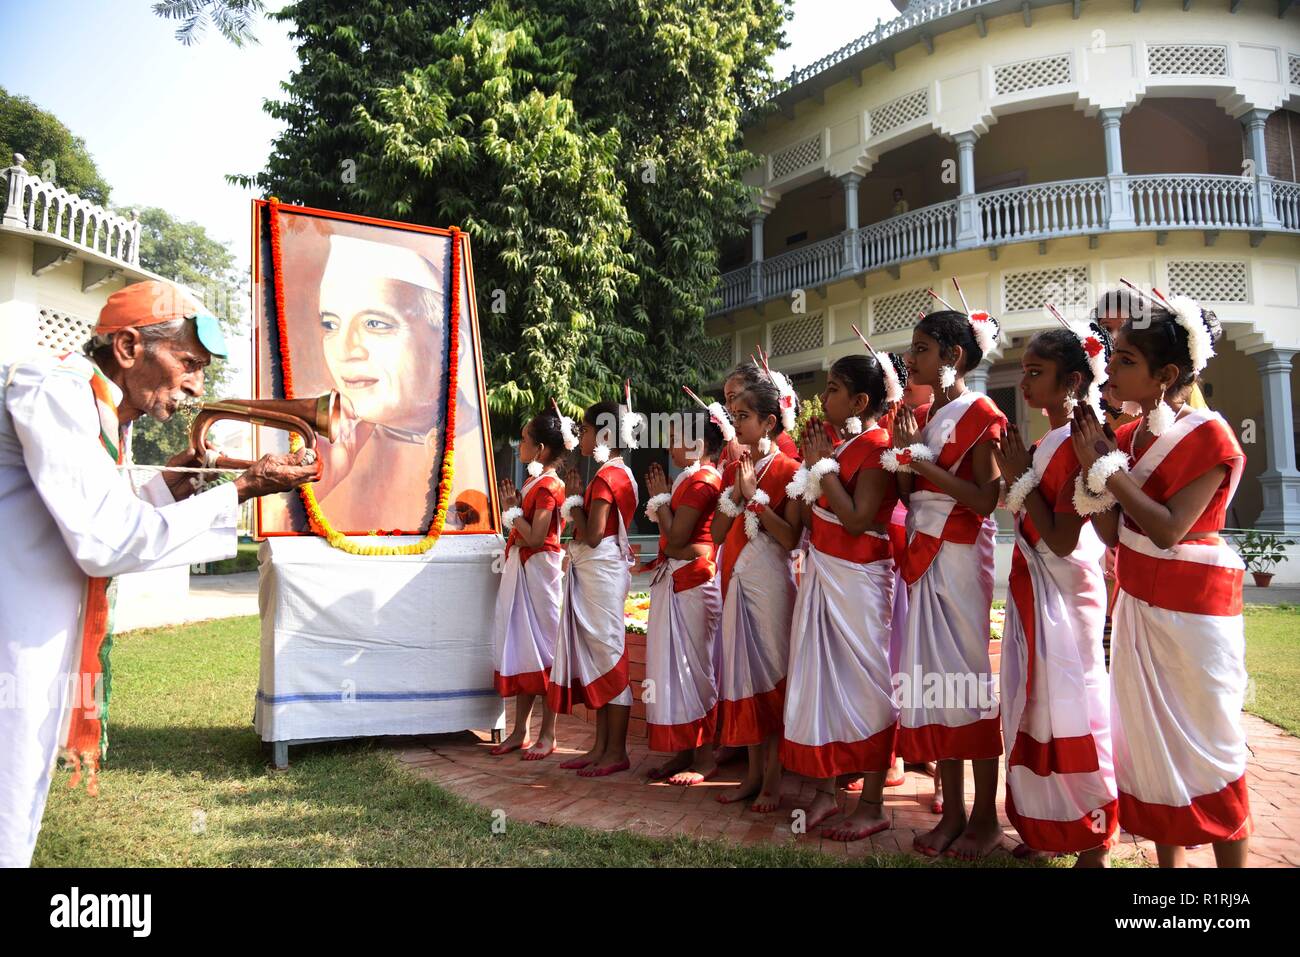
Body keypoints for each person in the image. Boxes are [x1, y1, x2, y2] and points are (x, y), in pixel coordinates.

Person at [0, 280, 317, 867]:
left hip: (39, 642)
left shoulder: (102, 411)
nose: (198, 385)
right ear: (126, 347)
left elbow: (107, 519)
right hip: (13, 642)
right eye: (189, 364)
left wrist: (167, 487)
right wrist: (242, 487)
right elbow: (103, 541)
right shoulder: (54, 390)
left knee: (20, 809)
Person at [1071, 294, 1250, 867]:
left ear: (1167, 374)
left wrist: (1107, 468)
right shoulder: (1128, 440)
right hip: (1139, 605)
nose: (1111, 370)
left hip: (1194, 617)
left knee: (1209, 749)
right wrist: (1090, 465)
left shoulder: (1211, 437)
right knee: (1150, 747)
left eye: (1124, 361)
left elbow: (1171, 529)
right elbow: (1113, 536)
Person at [991, 323, 1119, 867]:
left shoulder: (1080, 445)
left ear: (1071, 381)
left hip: (1067, 591)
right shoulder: (1045, 442)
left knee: (1076, 709)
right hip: (1032, 589)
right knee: (1034, 707)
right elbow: (1024, 506)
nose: (1023, 383)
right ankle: (1049, 825)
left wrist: (1019, 482)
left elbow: (1065, 540)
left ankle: (1095, 841)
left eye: (1035, 373)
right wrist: (1015, 483)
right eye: (1022, 372)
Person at [888, 305, 1006, 859]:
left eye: (921, 350)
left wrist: (918, 460)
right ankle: (953, 812)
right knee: (937, 685)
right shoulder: (931, 415)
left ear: (953, 356)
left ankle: (985, 818)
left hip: (957, 554)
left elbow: (987, 499)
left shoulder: (980, 412)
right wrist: (906, 458)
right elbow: (912, 496)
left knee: (967, 682)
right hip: (925, 549)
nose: (911, 359)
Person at [781, 354, 900, 841]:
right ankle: (826, 793)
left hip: (860, 580)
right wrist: (815, 475)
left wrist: (818, 469)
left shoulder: (877, 447)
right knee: (823, 682)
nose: (824, 397)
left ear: (860, 400)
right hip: (826, 573)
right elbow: (816, 521)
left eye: (832, 389)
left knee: (866, 686)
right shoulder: (841, 446)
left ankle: (871, 804)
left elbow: (858, 519)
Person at [309, 233, 485, 532]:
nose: (344, 351)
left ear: (451, 345)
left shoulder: (480, 453)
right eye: (331, 325)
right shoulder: (330, 455)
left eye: (376, 324)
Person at [711, 377, 803, 812]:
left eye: (743, 417)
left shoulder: (789, 470)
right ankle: (751, 774)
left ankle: (773, 780)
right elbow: (716, 532)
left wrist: (755, 500)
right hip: (736, 579)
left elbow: (790, 538)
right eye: (734, 417)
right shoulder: (733, 468)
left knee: (770, 673)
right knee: (743, 673)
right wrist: (736, 491)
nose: (737, 423)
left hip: (769, 582)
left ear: (769, 421)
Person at [547, 400, 640, 777]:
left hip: (601, 570)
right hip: (602, 571)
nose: (580, 436)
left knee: (609, 654)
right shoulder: (619, 474)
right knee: (602, 654)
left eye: (585, 429)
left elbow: (595, 534)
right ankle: (601, 747)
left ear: (602, 435)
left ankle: (615, 750)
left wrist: (573, 502)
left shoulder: (607, 478)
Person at [641, 413, 725, 784]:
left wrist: (659, 499)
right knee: (675, 670)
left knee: (695, 669)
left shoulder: (703, 481)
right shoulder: (688, 480)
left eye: (675, 436)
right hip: (680, 578)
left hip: (693, 581)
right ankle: (683, 751)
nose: (669, 444)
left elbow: (675, 539)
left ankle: (705, 759)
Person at [490, 410, 569, 761]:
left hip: (541, 571)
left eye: (523, 440)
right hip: (526, 568)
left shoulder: (551, 485)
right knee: (527, 650)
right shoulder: (534, 481)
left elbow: (537, 536)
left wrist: (511, 512)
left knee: (547, 653)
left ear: (539, 449)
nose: (518, 445)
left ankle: (548, 734)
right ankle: (520, 731)